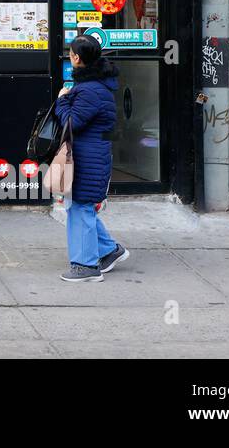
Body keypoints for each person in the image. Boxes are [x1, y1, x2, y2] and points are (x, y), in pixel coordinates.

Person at [54, 35, 129, 282]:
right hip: (90, 154)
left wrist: (62, 100)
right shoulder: (97, 85)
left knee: (81, 207)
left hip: (88, 157)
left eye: (71, 54)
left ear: (76, 58)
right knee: (80, 206)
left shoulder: (90, 90)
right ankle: (109, 251)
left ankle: (86, 266)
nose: (70, 57)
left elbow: (70, 123)